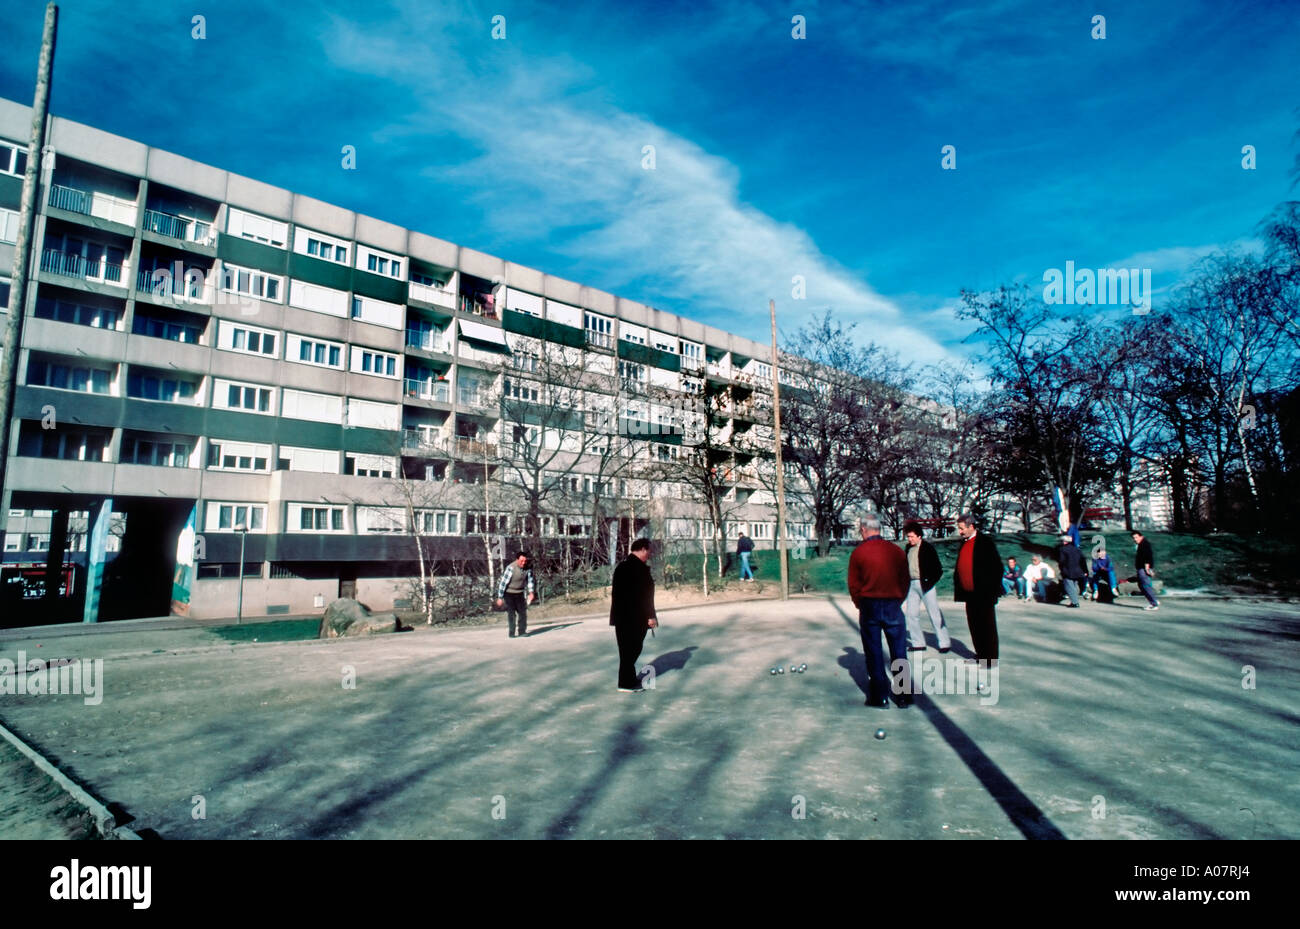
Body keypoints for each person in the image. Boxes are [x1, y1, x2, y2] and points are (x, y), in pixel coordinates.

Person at [847, 513, 912, 709]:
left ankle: (879, 696)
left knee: (873, 651)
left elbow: (854, 584)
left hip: (870, 604)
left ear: (864, 529)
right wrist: (899, 599)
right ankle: (903, 696)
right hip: (893, 603)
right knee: (899, 650)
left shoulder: (859, 553)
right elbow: (905, 580)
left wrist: (860, 603)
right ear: (880, 528)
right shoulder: (896, 551)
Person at [610, 538, 659, 692]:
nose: (650, 554)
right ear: (643, 549)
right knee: (631, 650)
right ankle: (626, 684)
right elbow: (645, 596)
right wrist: (651, 616)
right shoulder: (639, 569)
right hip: (635, 617)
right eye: (649, 550)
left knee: (626, 650)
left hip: (621, 617)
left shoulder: (622, 567)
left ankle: (628, 679)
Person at [953, 513, 1003, 665]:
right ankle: (981, 655)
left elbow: (997, 568)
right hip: (970, 594)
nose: (960, 532)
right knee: (975, 626)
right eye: (959, 528)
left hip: (984, 594)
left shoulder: (985, 542)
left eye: (962, 529)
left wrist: (990, 591)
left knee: (987, 626)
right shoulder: (964, 543)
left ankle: (990, 659)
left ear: (971, 526)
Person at [901, 521, 952, 653]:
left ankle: (944, 642)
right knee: (911, 614)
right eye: (908, 536)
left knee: (934, 613)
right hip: (912, 584)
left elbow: (938, 569)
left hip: (926, 584)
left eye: (912, 536)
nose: (909, 539)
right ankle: (918, 643)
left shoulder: (927, 548)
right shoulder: (908, 548)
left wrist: (929, 582)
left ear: (919, 536)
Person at [495, 551, 536, 637]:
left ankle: (522, 632)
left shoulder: (528, 568)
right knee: (511, 613)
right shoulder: (511, 568)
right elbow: (503, 583)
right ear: (517, 560)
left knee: (522, 613)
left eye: (525, 561)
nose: (523, 563)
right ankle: (512, 633)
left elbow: (530, 581)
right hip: (509, 593)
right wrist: (500, 597)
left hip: (520, 593)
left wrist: (531, 592)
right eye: (521, 561)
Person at [1056, 534, 1087, 608]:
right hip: (1078, 570)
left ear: (1064, 542)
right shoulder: (1077, 549)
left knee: (1069, 587)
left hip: (1068, 571)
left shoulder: (1062, 549)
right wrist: (1085, 570)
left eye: (1062, 541)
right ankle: (1075, 600)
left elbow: (1062, 561)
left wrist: (1061, 569)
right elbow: (1083, 560)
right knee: (1074, 586)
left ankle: (1075, 602)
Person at [1132, 531, 1160, 611]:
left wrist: (1147, 568)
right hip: (1141, 568)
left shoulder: (1144, 544)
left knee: (1145, 586)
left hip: (1143, 568)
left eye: (1136, 537)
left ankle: (1154, 604)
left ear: (1141, 536)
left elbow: (1147, 556)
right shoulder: (1141, 544)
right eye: (1133, 538)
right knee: (1142, 585)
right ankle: (1154, 601)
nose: (1135, 539)